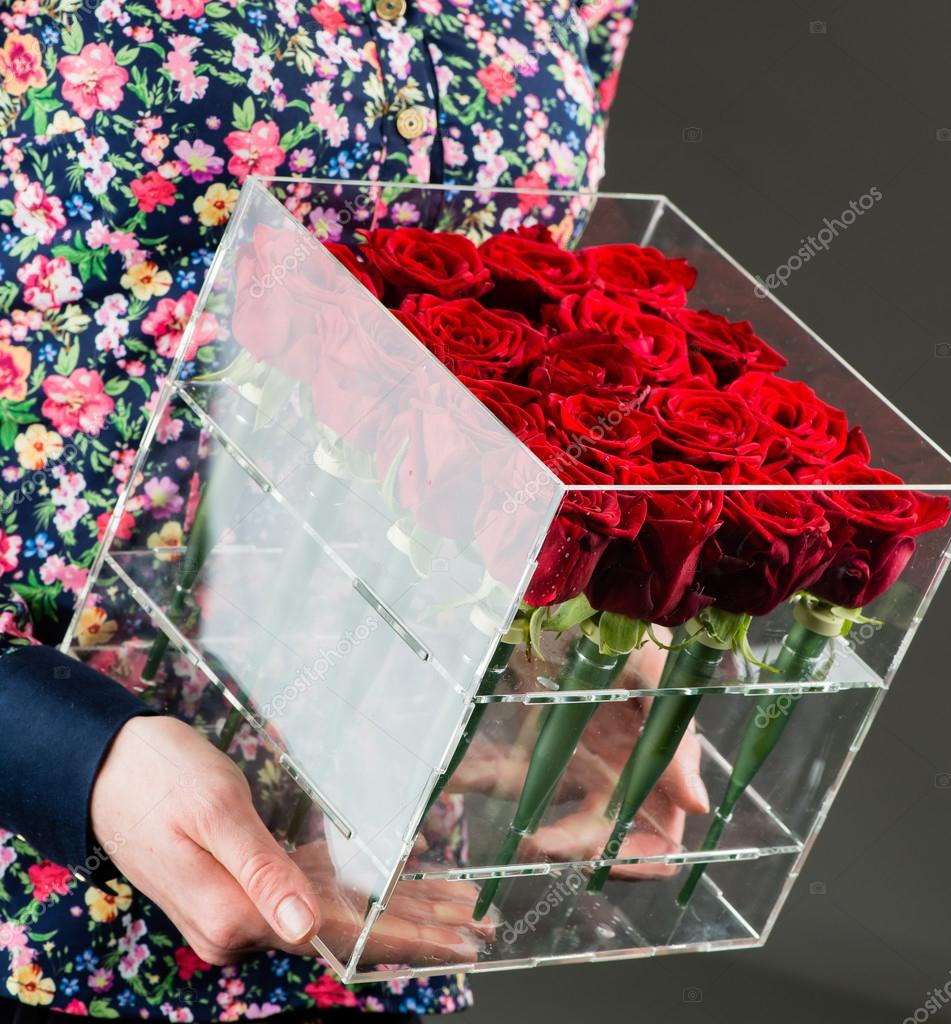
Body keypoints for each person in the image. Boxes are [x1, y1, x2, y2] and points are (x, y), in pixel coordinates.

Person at [0, 1, 664, 1021]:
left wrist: (585, 634)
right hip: (32, 897)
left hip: (371, 898)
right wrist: (63, 750)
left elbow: (518, 354)